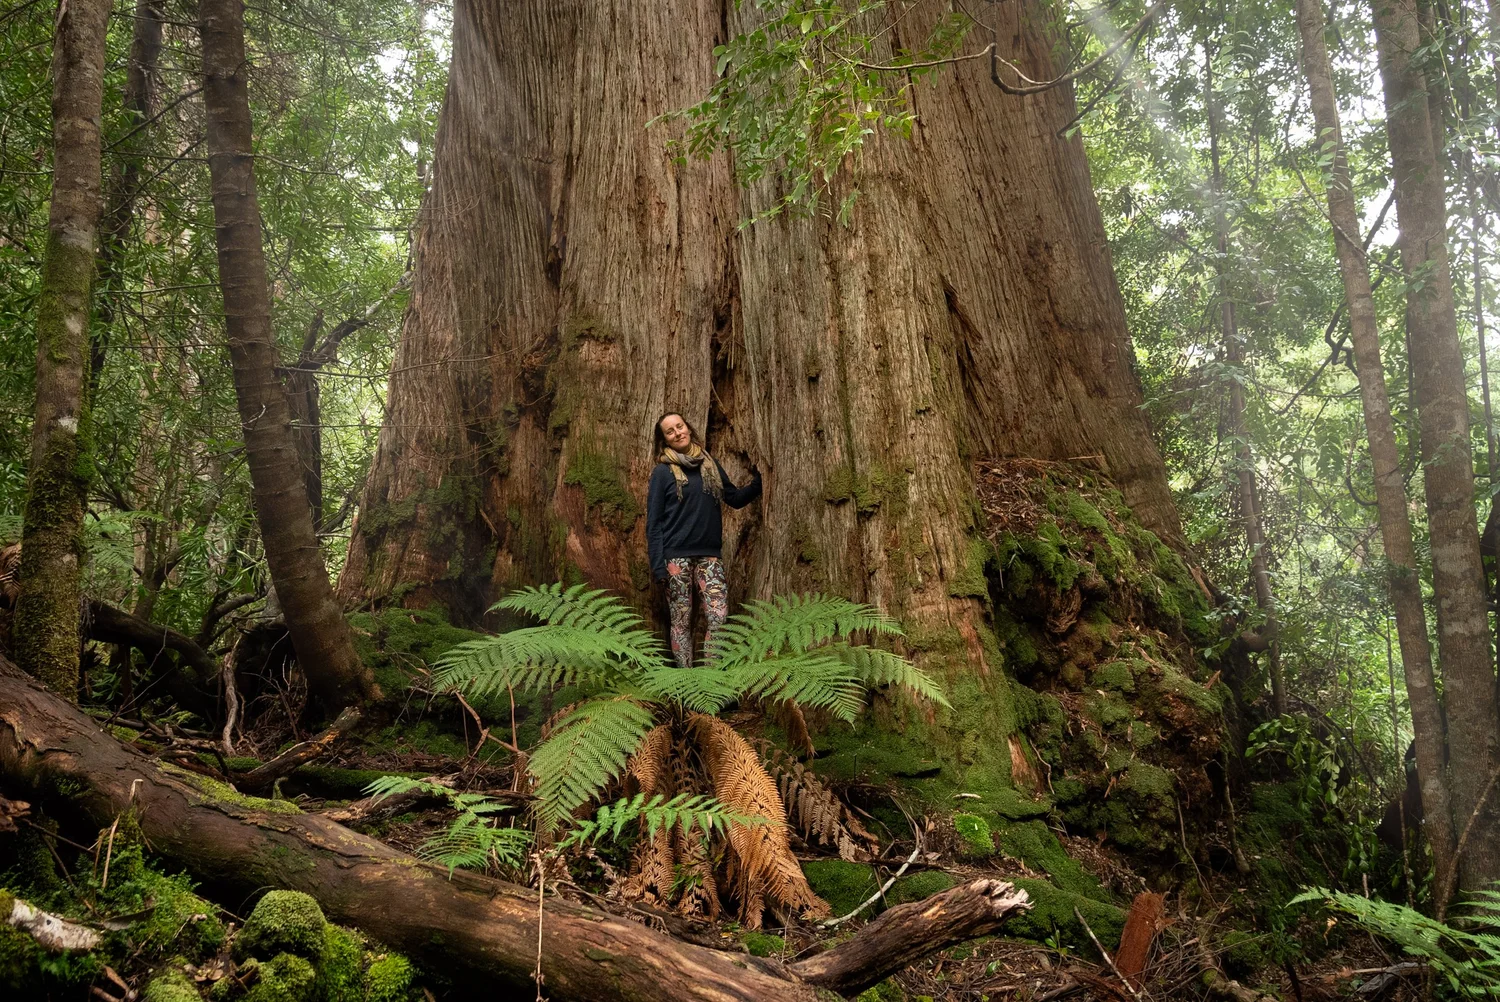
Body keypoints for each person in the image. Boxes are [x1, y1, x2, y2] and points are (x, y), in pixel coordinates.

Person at [646, 412, 761, 669]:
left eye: (680, 426)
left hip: (710, 556)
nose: (677, 433)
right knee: (681, 622)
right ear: (664, 439)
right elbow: (653, 524)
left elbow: (733, 497)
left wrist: (760, 482)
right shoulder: (662, 473)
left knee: (719, 618)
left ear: (688, 427)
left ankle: (710, 680)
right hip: (675, 559)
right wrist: (658, 565)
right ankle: (686, 684)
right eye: (670, 431)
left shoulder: (709, 463)